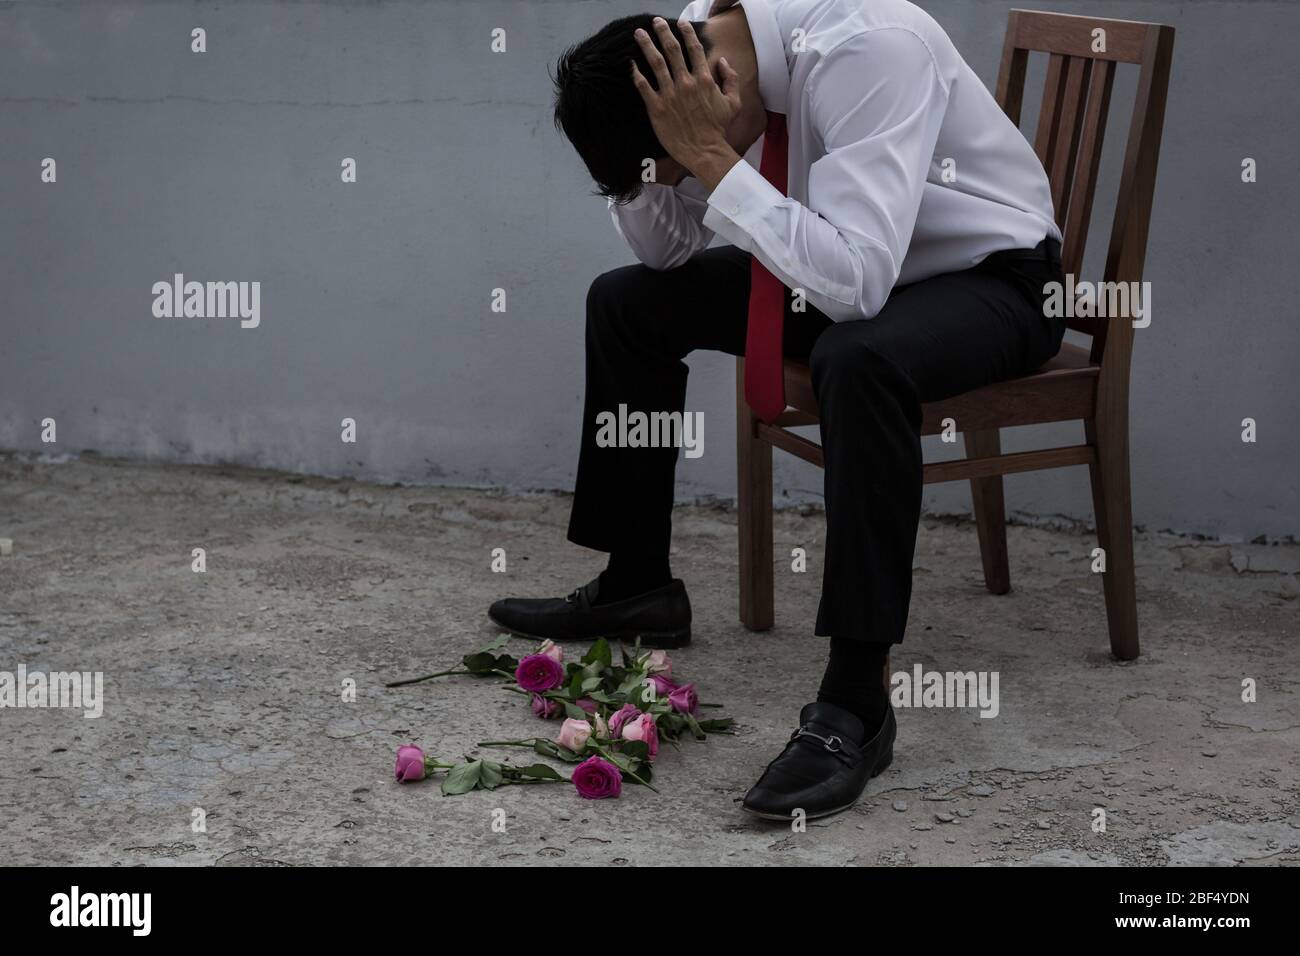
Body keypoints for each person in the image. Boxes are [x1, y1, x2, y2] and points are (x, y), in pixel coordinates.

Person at [490, 0, 1065, 820]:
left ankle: (856, 704)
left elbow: (859, 284)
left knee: (857, 358)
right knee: (626, 302)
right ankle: (638, 583)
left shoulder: (871, 51)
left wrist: (711, 159)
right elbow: (669, 250)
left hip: (988, 277)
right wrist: (658, 169)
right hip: (847, 259)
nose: (687, 179)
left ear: (718, 82)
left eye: (680, 166)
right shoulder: (690, 48)